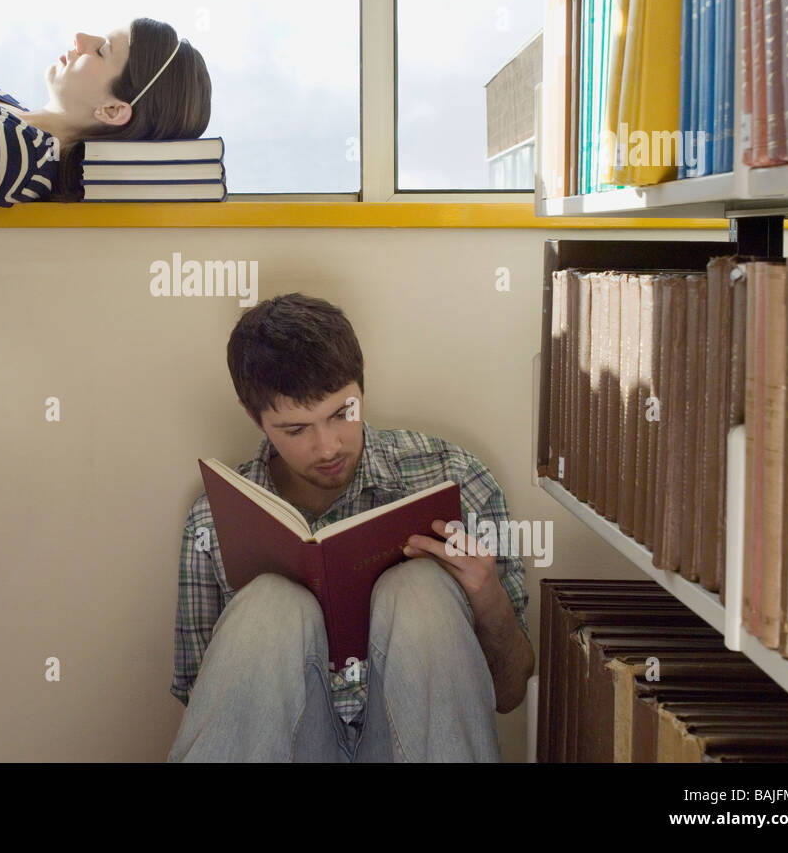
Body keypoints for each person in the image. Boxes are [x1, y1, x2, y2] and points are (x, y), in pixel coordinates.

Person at [169, 293, 534, 762]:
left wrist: (490, 602)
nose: (327, 447)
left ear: (362, 380)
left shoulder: (456, 478)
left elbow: (510, 694)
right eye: (296, 430)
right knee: (267, 604)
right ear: (252, 415)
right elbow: (216, 715)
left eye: (343, 414)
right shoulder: (212, 522)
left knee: (420, 587)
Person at [0, 17, 211, 209]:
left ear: (112, 110)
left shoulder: (13, 155)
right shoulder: (14, 112)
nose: (81, 39)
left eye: (101, 50)